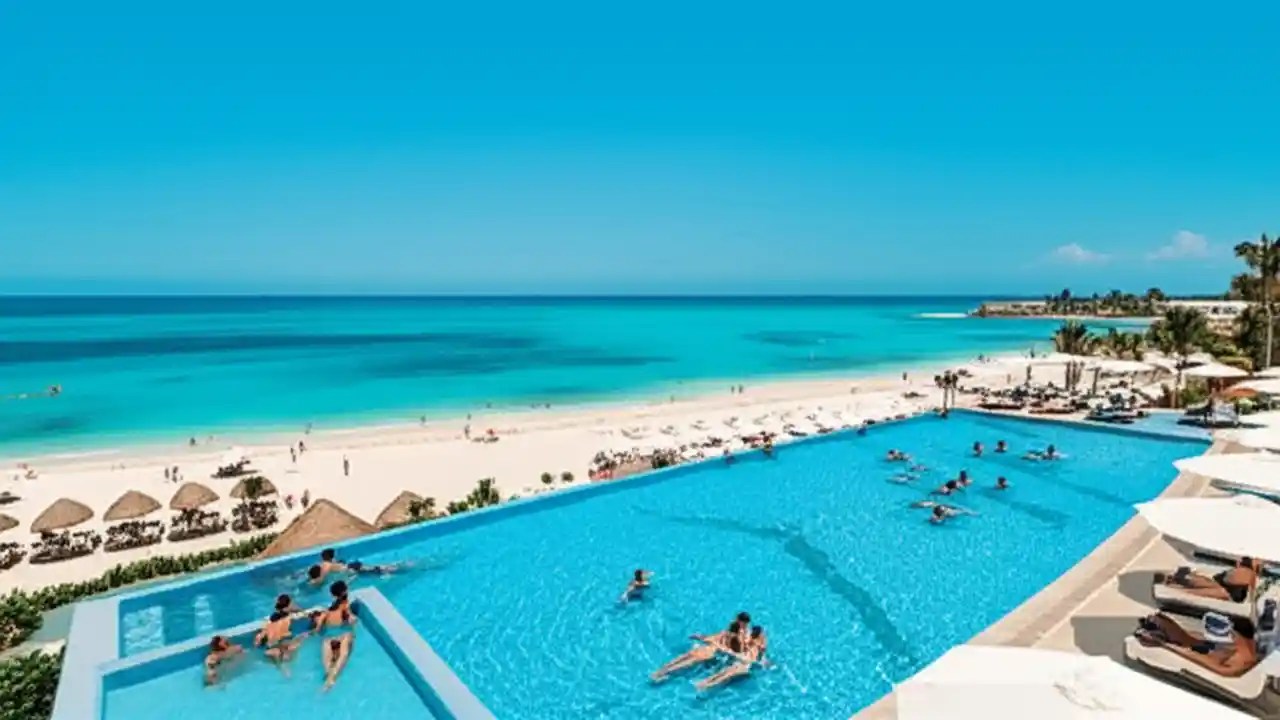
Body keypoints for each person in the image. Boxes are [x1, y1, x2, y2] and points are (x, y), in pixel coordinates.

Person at [1135, 613, 1259, 677]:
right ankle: (1160, 628)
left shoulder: (1238, 662)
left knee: (1185, 641)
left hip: (1204, 652)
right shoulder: (1244, 648)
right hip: (1209, 648)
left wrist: (1164, 645)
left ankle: (1159, 630)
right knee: (1187, 639)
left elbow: (1200, 660)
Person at [650, 621, 740, 682]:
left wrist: (698, 637)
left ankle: (659, 671)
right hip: (707, 655)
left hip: (701, 649)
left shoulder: (722, 633)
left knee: (679, 659)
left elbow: (708, 638)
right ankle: (662, 674)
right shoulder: (733, 640)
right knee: (681, 664)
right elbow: (727, 652)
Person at [694, 625, 770, 691]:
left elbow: (754, 658)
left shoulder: (752, 644)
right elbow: (759, 659)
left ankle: (705, 684)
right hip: (742, 663)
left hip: (741, 663)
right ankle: (705, 684)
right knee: (725, 673)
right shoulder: (757, 645)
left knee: (726, 673)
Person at [1156, 558, 1258, 603]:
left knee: (1217, 589)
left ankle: (1180, 584)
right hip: (1227, 582)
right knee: (1213, 584)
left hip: (1233, 590)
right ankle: (1181, 581)